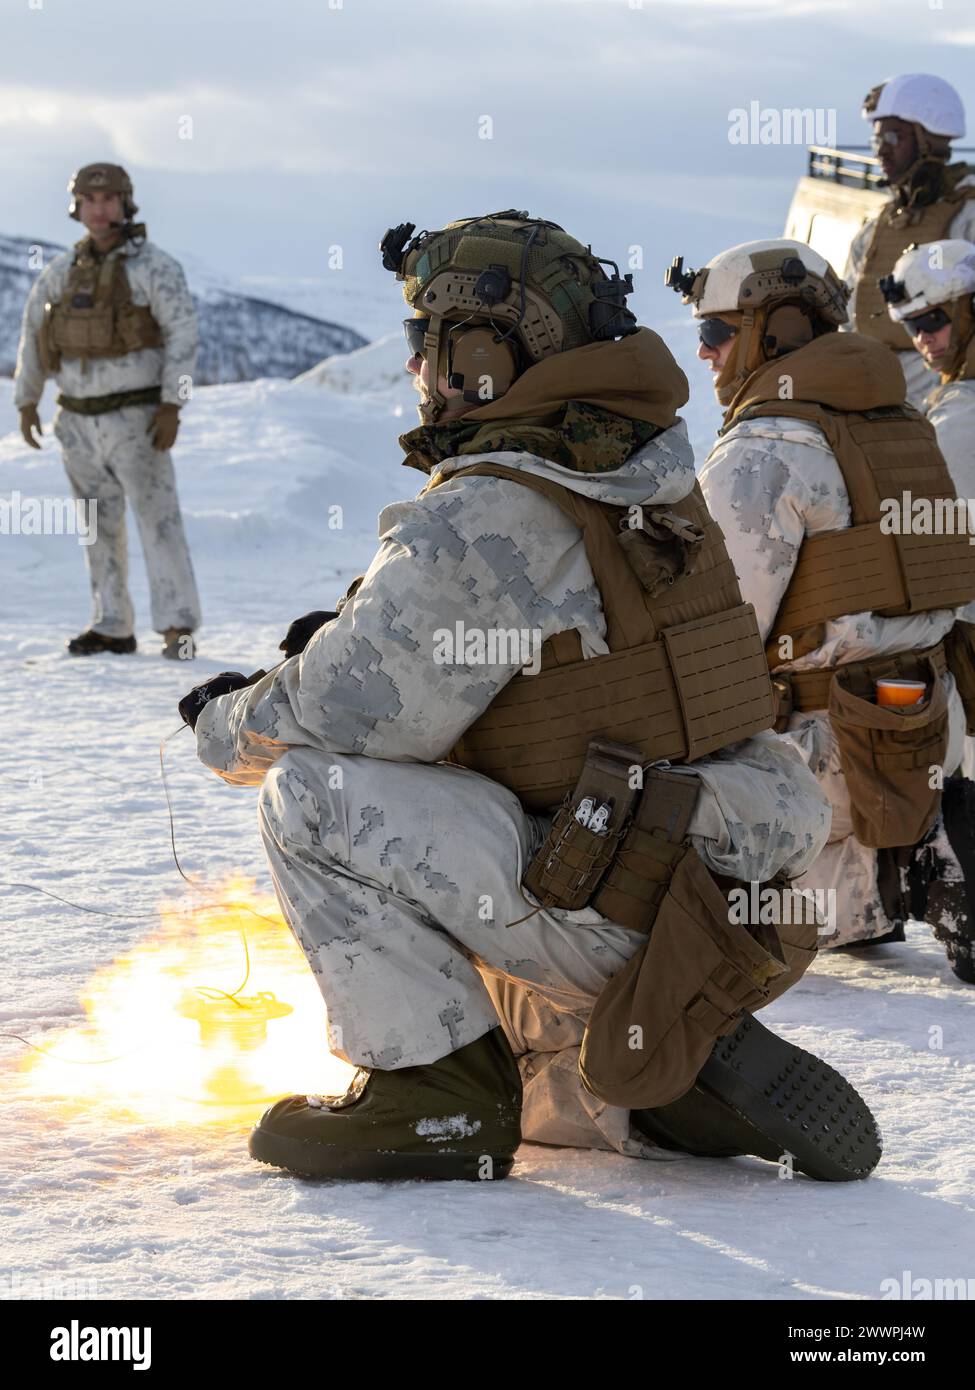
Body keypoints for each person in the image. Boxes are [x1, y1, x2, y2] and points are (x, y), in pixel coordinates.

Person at [179, 212, 880, 1185]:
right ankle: (653, 1069)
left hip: (615, 892)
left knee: (307, 788)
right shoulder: (654, 474)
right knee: (550, 1082)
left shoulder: (501, 498)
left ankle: (431, 1094)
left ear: (481, 353)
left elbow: (353, 708)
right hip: (727, 880)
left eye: (430, 344)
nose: (420, 369)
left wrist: (226, 725)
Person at [670, 237, 975, 982]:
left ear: (772, 331)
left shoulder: (765, 447)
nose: (706, 354)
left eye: (715, 332)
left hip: (818, 765)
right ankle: (909, 870)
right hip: (921, 732)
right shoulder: (907, 424)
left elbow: (718, 631)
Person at [13, 162, 201, 660]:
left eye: (109, 198)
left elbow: (183, 334)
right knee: (97, 523)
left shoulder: (154, 267)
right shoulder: (62, 272)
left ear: (125, 203)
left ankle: (177, 626)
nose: (99, 208)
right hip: (75, 419)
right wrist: (27, 400)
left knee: (158, 520)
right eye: (90, 200)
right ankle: (112, 622)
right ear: (77, 206)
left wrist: (172, 404)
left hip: (137, 417)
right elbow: (35, 334)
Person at [845, 74, 975, 407]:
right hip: (871, 394)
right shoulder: (877, 227)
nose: (882, 151)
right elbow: (845, 314)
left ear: (928, 138)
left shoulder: (967, 216)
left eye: (893, 136)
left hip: (946, 399)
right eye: (877, 140)